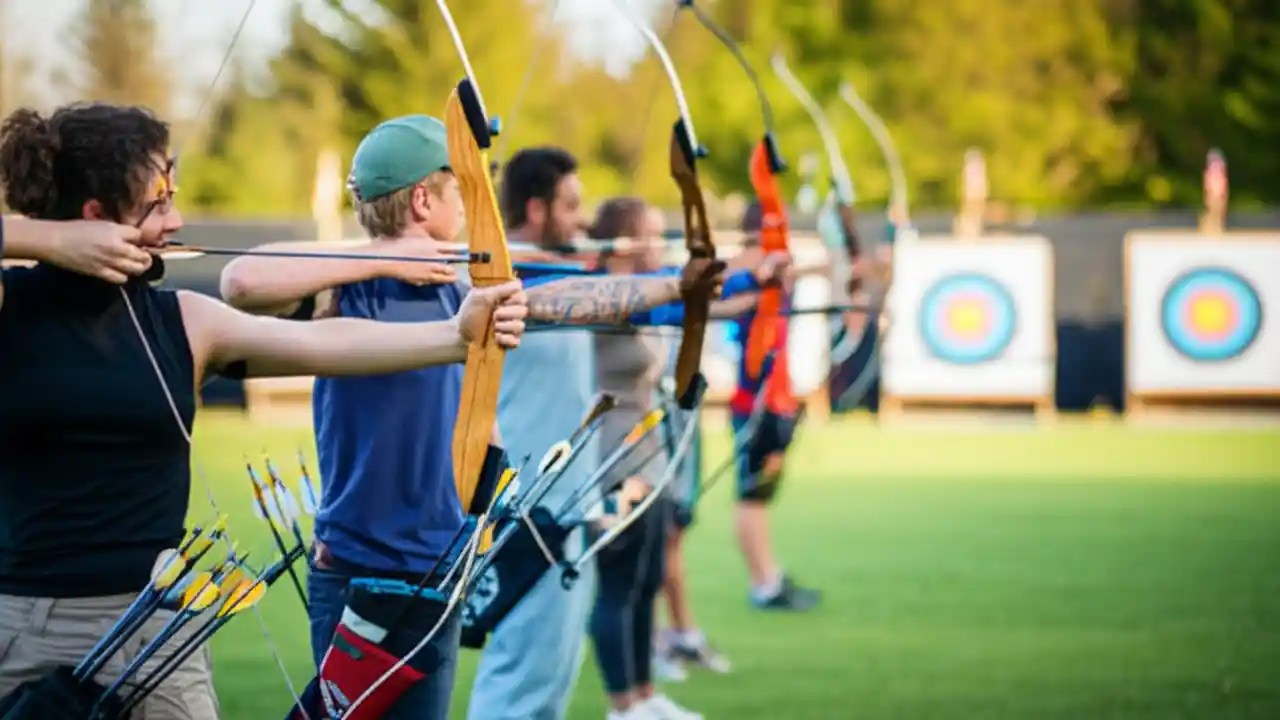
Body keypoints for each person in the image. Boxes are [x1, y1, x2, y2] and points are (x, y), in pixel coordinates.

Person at [0, 103, 528, 719]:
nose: (177, 219)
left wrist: (456, 336)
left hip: (155, 624)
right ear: (96, 218)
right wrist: (42, 238)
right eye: (158, 202)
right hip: (25, 627)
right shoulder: (14, 306)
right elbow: (251, 280)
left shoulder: (183, 321)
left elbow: (328, 343)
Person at [219, 120, 723, 719]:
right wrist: (381, 256)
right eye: (458, 189)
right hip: (361, 573)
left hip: (441, 567)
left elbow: (570, 299)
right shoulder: (341, 293)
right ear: (422, 199)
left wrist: (674, 286)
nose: (468, 203)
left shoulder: (466, 287)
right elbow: (240, 281)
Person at [726, 201, 820, 612]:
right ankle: (763, 583)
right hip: (754, 403)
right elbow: (736, 271)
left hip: (775, 399)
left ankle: (771, 576)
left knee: (762, 495)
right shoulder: (743, 270)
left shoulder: (773, 272)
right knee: (751, 496)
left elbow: (799, 269)